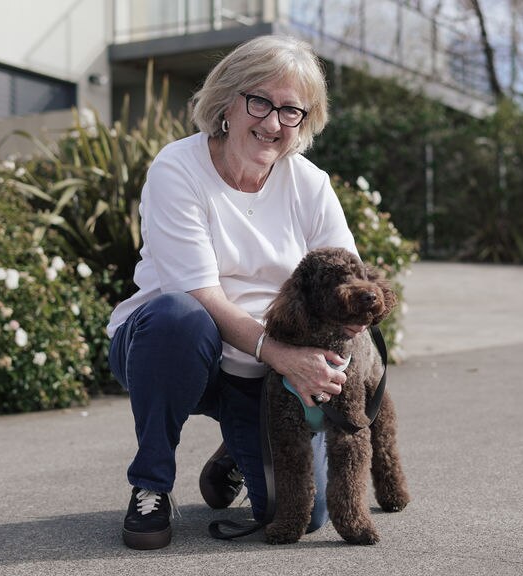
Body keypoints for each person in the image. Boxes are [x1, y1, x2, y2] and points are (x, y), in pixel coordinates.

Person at [106, 35, 362, 550]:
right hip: (170, 348)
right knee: (179, 316)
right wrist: (284, 354)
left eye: (291, 110)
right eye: (260, 101)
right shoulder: (178, 169)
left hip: (264, 375)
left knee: (304, 515)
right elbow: (198, 293)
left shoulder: (309, 184)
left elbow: (347, 285)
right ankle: (150, 484)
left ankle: (236, 449)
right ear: (227, 100)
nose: (272, 123)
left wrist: (329, 354)